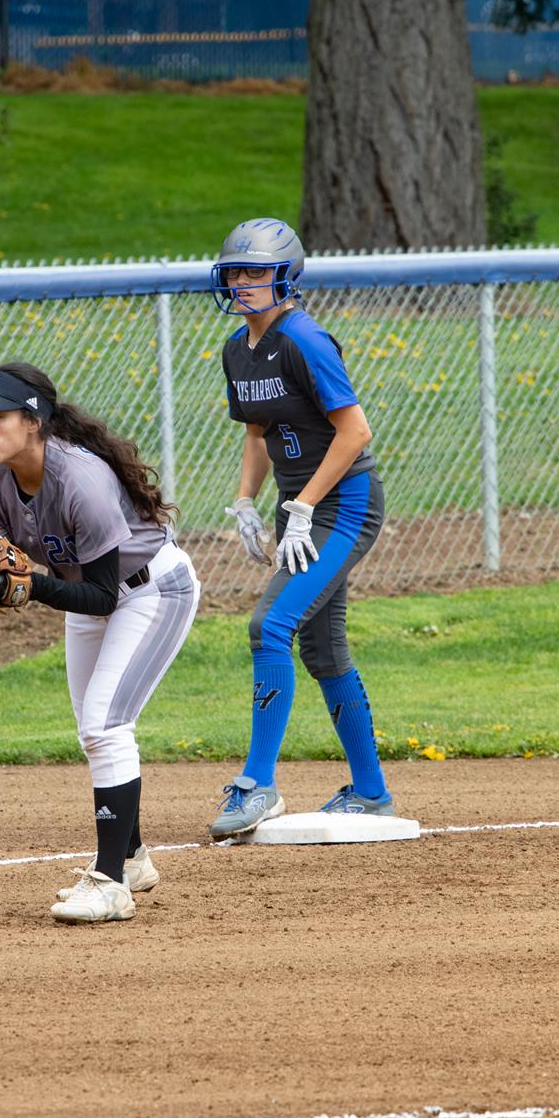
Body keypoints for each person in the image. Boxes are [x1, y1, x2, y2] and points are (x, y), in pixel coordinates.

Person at [0, 361, 200, 924]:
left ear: (34, 421)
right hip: (83, 592)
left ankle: (111, 884)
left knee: (105, 726)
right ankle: (130, 857)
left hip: (150, 590)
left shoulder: (80, 479)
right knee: (96, 731)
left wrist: (28, 586)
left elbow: (104, 595)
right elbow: (0, 563)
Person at [208, 217, 393, 839]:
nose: (241, 282)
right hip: (304, 507)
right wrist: (245, 501)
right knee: (320, 648)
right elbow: (258, 432)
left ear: (286, 276)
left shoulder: (306, 340)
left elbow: (355, 432)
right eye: (233, 271)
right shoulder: (238, 348)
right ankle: (370, 792)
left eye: (255, 271)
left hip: (346, 503)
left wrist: (304, 505)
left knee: (271, 625)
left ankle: (257, 785)